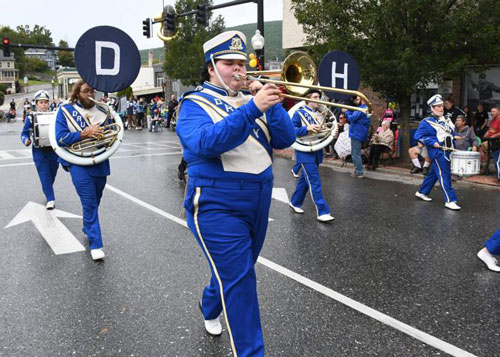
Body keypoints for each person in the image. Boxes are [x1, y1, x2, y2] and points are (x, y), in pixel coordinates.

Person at [176, 30, 295, 357]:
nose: (239, 70)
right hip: (216, 204)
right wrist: (253, 108)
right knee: (242, 282)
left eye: (242, 62)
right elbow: (205, 143)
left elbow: (285, 139)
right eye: (230, 63)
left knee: (238, 270)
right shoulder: (193, 104)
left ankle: (209, 303)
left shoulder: (251, 100)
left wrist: (272, 105)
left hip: (258, 197)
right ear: (212, 66)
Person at [54, 80, 110, 261]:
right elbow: (60, 137)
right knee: (89, 202)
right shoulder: (65, 111)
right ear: (77, 93)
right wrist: (84, 133)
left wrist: (102, 133)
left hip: (100, 161)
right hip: (78, 162)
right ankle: (96, 245)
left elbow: (112, 134)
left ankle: (88, 226)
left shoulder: (102, 111)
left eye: (92, 91)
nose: (90, 95)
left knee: (96, 198)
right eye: (86, 91)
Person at [288, 89, 334, 222]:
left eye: (319, 97)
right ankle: (322, 211)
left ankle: (295, 202)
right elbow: (292, 131)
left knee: (305, 179)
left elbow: (326, 130)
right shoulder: (299, 113)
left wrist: (332, 133)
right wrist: (306, 129)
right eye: (315, 97)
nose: (318, 99)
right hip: (304, 151)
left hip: (316, 151)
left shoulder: (321, 114)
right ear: (308, 99)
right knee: (314, 180)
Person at [414, 94, 461, 210]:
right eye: (438, 106)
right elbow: (418, 136)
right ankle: (450, 200)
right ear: (432, 108)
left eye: (441, 106)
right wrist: (431, 141)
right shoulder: (426, 122)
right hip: (438, 152)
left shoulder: (445, 120)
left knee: (435, 174)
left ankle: (422, 191)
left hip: (448, 151)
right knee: (445, 176)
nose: (441, 108)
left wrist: (455, 136)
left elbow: (449, 132)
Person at [20, 90, 59, 210]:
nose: (43, 104)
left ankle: (47, 189)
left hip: (53, 150)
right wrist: (26, 140)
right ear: (36, 104)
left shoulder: (55, 115)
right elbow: (24, 133)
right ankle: (50, 198)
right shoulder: (31, 117)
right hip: (38, 150)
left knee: (52, 173)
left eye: (45, 102)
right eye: (41, 102)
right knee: (44, 174)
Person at [344, 95, 370, 178]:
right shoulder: (363, 108)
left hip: (357, 133)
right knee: (355, 153)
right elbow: (355, 115)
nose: (356, 100)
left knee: (356, 154)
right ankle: (357, 171)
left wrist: (346, 111)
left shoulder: (362, 108)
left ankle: (359, 172)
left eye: (358, 98)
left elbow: (352, 118)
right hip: (358, 133)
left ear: (363, 99)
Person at [479, 104, 500, 184]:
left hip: (496, 141)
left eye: (494, 111)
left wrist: (494, 136)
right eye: (491, 111)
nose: (491, 113)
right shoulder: (493, 120)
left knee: (497, 160)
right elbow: (489, 130)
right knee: (480, 146)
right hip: (490, 141)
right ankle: (485, 167)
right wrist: (483, 138)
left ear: (499, 112)